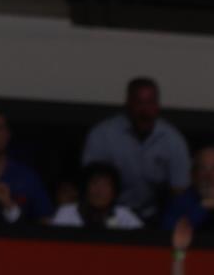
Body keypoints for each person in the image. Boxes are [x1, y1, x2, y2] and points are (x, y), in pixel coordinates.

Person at [81, 77, 190, 222]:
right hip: (108, 215)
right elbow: (90, 185)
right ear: (127, 104)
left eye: (150, 103)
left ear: (157, 106)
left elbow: (180, 191)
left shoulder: (172, 140)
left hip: (154, 217)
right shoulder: (103, 135)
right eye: (139, 103)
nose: (144, 110)